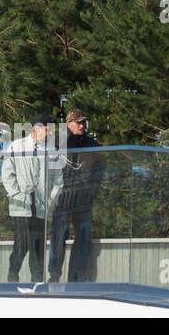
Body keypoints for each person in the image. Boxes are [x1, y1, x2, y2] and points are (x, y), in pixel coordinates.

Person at [1, 113, 60, 284]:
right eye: (48, 130)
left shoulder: (52, 150)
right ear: (37, 129)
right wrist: (16, 195)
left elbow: (58, 179)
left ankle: (37, 281)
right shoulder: (16, 146)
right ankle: (13, 276)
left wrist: (52, 200)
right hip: (21, 204)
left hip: (41, 204)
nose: (51, 134)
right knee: (22, 242)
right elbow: (7, 173)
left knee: (38, 244)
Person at [49, 109, 104, 283]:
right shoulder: (57, 143)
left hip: (84, 199)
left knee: (83, 237)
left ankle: (76, 278)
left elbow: (100, 168)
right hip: (63, 198)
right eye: (78, 122)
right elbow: (46, 169)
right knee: (59, 236)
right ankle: (54, 275)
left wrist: (92, 191)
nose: (82, 125)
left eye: (83, 122)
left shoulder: (92, 144)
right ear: (68, 124)